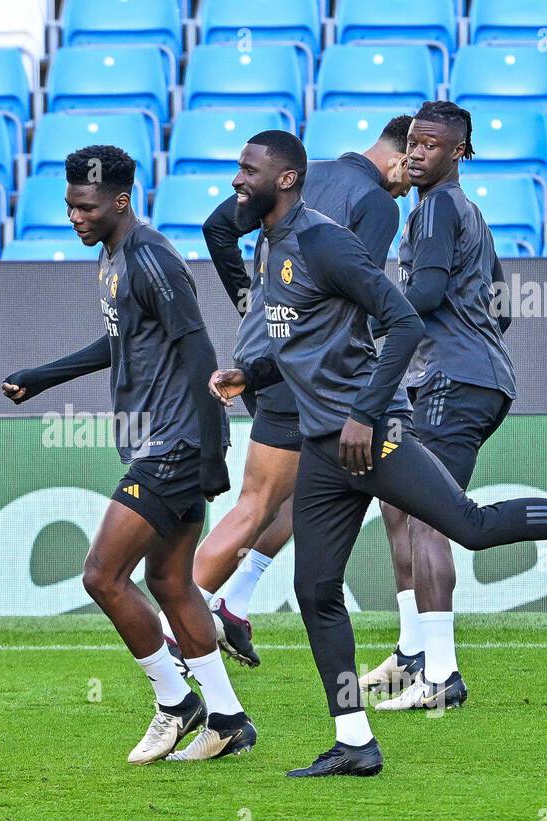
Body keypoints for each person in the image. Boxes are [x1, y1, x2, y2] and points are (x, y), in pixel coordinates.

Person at [208, 130, 547, 777]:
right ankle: (354, 740)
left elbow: (404, 324)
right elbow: (303, 341)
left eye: (246, 169)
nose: (236, 179)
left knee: (470, 527)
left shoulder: (325, 241)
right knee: (316, 592)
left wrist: (367, 414)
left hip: (372, 435)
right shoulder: (269, 246)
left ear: (285, 179)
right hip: (322, 444)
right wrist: (248, 377)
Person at [2, 145, 256, 763]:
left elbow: (198, 349)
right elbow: (121, 337)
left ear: (121, 201)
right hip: (163, 439)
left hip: (175, 443)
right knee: (169, 581)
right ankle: (227, 720)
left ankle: (176, 702)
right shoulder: (114, 256)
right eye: (68, 206)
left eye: (85, 206)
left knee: (102, 576)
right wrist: (45, 376)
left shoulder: (151, 258)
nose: (74, 218)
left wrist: (210, 451)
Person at [191, 115, 417, 668]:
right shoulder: (378, 203)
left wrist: (252, 304)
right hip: (305, 370)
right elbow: (355, 292)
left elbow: (217, 228)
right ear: (397, 158)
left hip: (263, 357)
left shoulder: (297, 174)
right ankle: (184, 620)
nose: (412, 183)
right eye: (413, 167)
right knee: (262, 502)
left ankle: (232, 604)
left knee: (311, 491)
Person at [364, 101, 516, 709]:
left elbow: (423, 292)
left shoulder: (433, 209)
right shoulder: (467, 211)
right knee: (402, 508)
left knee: (431, 517)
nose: (417, 154)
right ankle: (416, 654)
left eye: (431, 145)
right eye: (413, 144)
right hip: (468, 377)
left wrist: (359, 315)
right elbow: (501, 304)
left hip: (454, 380)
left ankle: (440, 675)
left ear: (458, 152)